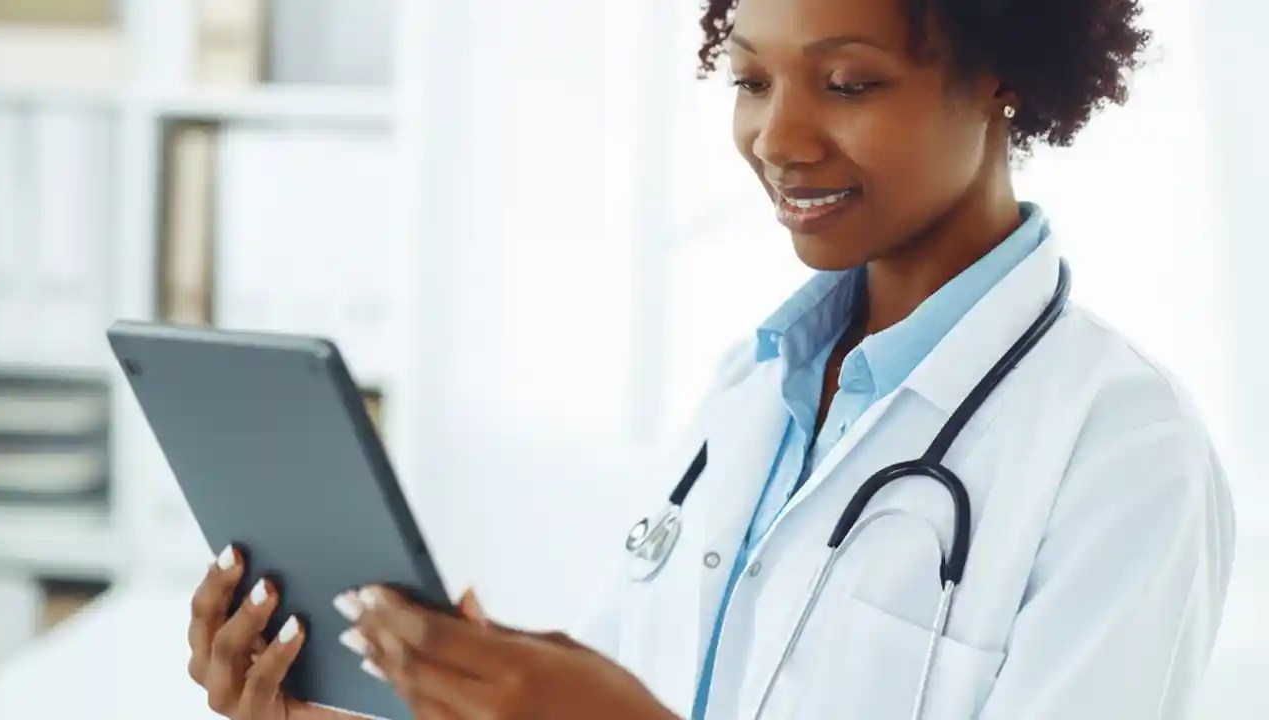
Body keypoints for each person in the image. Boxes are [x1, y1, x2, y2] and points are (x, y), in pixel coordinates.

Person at [183, 0, 1235, 717]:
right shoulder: (753, 387)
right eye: (749, 79)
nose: (777, 138)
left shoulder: (1123, 456)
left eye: (847, 82)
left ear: (1002, 78)